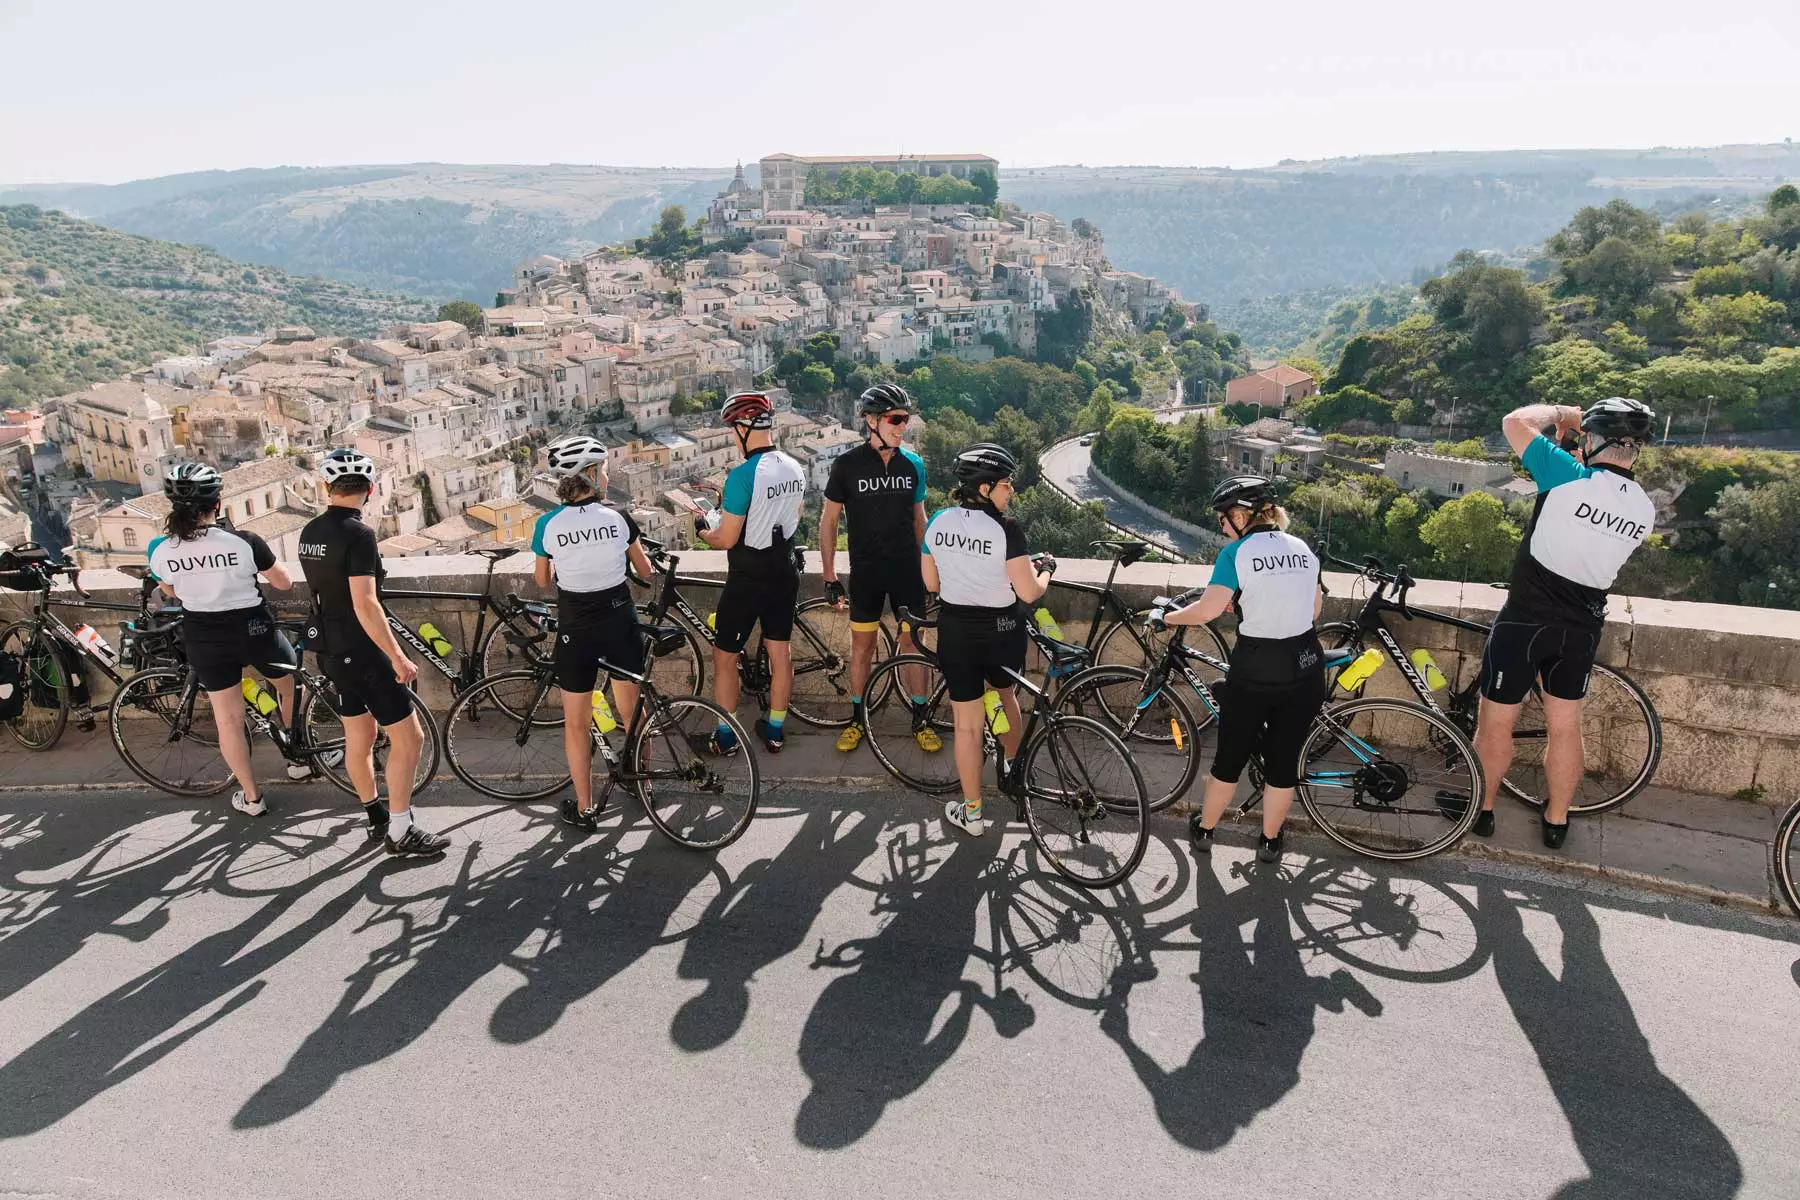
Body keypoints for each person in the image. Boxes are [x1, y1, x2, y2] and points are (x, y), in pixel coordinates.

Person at [1474, 397, 1658, 848]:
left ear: (1592, 440)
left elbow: (1514, 419)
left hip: (1525, 620)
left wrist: (1561, 413)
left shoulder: (1567, 477)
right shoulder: (1643, 509)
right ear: (1637, 449)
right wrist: (1574, 443)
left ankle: (1483, 811)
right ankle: (1557, 820)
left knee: (1496, 722)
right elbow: (1590, 510)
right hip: (1581, 627)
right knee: (1565, 725)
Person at [1163, 475, 1324, 864]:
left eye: (1223, 518)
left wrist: (1167, 619)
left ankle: (1205, 831)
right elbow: (1314, 609)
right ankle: (1269, 842)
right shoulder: (1302, 547)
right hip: (1305, 667)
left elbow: (1206, 610)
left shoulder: (1235, 555)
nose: (1221, 526)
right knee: (1283, 763)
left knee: (1230, 758)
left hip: (1256, 670)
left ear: (1241, 515)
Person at [296, 448, 448, 856]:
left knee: (358, 736)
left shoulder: (309, 532)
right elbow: (365, 602)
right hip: (361, 650)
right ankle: (400, 831)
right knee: (410, 738)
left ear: (326, 487)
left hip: (328, 648)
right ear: (371, 489)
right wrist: (397, 656)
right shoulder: (359, 535)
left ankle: (376, 814)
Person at [147, 462, 299, 818]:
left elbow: (169, 590)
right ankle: (296, 758)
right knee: (289, 687)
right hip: (254, 629)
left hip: (204, 636)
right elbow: (284, 584)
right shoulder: (243, 541)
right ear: (218, 503)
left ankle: (251, 797)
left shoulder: (163, 551)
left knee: (228, 720)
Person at [920, 442, 1053, 837]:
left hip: (958, 633)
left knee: (966, 727)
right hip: (1002, 632)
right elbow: (1029, 592)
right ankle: (1012, 766)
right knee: (1003, 694)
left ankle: (973, 814)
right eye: (1006, 483)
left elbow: (930, 582)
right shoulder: (1006, 528)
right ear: (984, 488)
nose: (1011, 490)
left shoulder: (938, 522)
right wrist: (1046, 570)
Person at [531, 434, 655, 833]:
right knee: (632, 711)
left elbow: (543, 580)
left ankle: (585, 808)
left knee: (576, 723)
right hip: (620, 621)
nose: (605, 474)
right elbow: (647, 571)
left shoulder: (547, 524)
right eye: (600, 468)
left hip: (576, 628)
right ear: (587, 474)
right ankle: (644, 784)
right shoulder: (618, 517)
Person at [820, 382, 935, 754]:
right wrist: (829, 576)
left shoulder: (912, 463)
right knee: (862, 648)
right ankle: (857, 718)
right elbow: (829, 522)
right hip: (867, 572)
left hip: (906, 572)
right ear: (871, 421)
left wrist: (930, 572)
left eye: (906, 418)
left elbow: (921, 520)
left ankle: (921, 718)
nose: (904, 426)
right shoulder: (847, 465)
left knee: (913, 647)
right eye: (896, 419)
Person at [695, 391, 807, 754]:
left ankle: (726, 738)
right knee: (781, 654)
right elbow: (795, 516)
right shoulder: (794, 466)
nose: (732, 437)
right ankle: (774, 730)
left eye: (732, 430)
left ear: (744, 428)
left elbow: (727, 538)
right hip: (785, 569)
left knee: (725, 656)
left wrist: (702, 529)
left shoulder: (742, 476)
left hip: (749, 577)